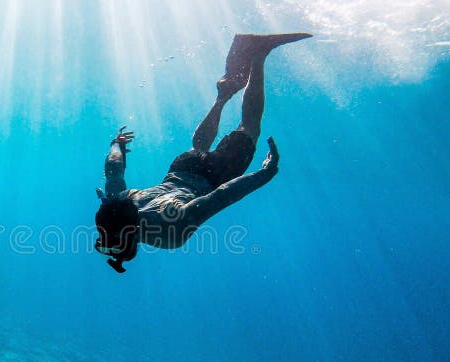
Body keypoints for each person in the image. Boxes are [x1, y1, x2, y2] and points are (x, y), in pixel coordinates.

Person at [94, 33, 312, 273]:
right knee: (198, 147)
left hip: (214, 177)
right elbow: (113, 169)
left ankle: (259, 54)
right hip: (181, 168)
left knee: (249, 128)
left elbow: (220, 195)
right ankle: (223, 95)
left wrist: (264, 174)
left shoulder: (171, 232)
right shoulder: (116, 200)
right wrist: (117, 143)